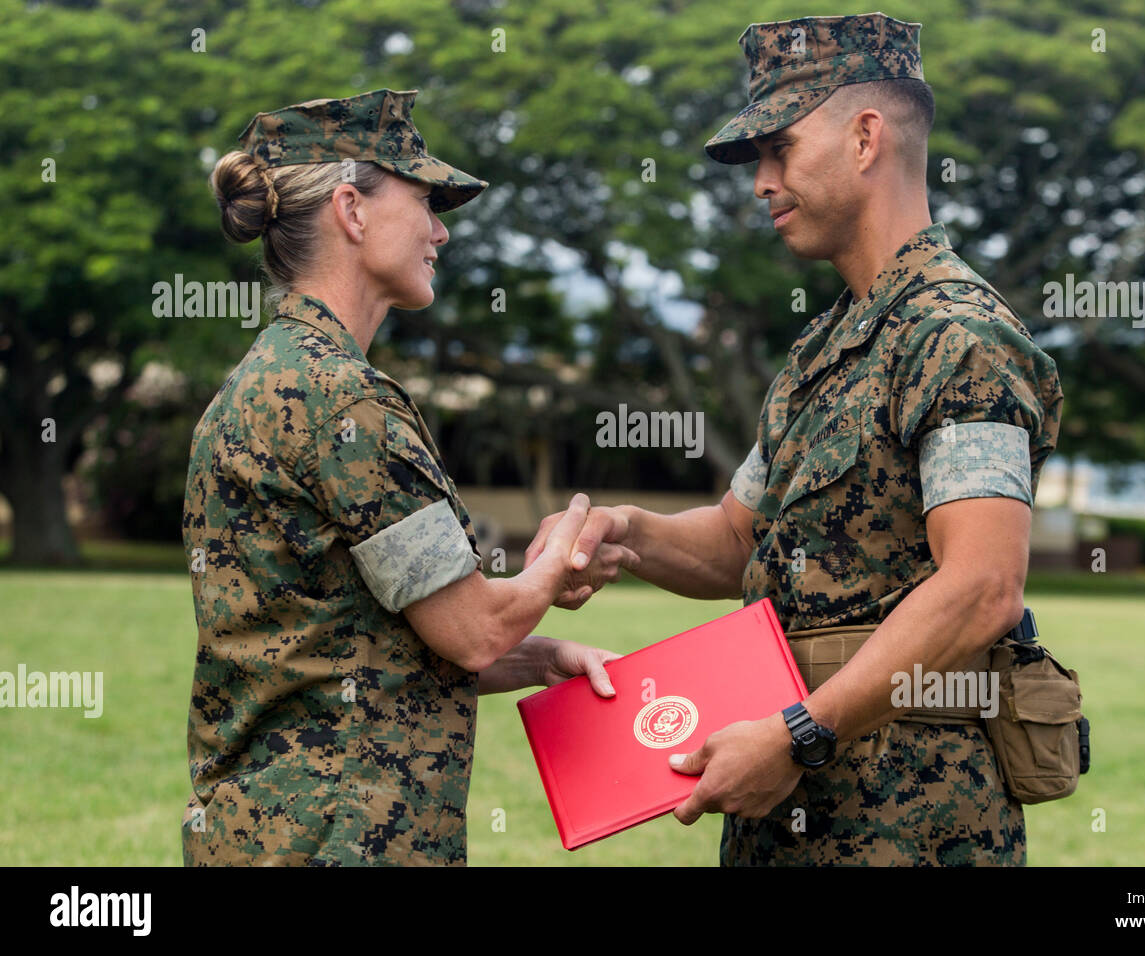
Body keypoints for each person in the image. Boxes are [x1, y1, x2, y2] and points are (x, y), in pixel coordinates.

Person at [525, 13, 1064, 865]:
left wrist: (800, 735)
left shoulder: (960, 338)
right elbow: (738, 541)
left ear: (864, 137)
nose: (760, 183)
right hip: (782, 803)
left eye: (780, 149)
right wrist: (627, 536)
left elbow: (983, 586)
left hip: (910, 819)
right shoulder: (827, 347)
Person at [182, 89, 636, 866]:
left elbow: (361, 642)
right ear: (352, 211)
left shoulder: (266, 381)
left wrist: (543, 657)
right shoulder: (340, 399)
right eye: (424, 202)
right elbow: (473, 631)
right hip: (342, 839)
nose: (441, 231)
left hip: (264, 833)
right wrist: (554, 563)